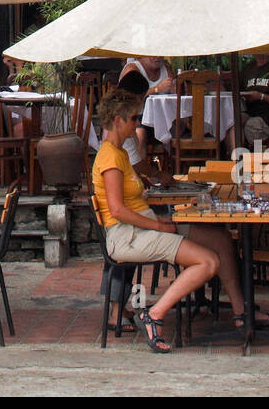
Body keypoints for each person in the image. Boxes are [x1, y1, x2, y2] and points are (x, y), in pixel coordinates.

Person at [93, 90, 258, 353]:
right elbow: (118, 210)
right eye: (134, 118)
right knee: (208, 261)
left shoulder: (120, 152)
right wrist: (160, 225)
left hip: (143, 226)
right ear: (117, 120)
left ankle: (241, 313)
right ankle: (153, 315)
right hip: (129, 236)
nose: (137, 123)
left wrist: (160, 219)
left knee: (220, 239)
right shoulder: (110, 158)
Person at [116, 55, 176, 183]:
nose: (157, 56)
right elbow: (135, 163)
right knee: (140, 134)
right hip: (144, 121)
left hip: (161, 119)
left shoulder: (165, 69)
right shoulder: (133, 69)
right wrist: (156, 174)